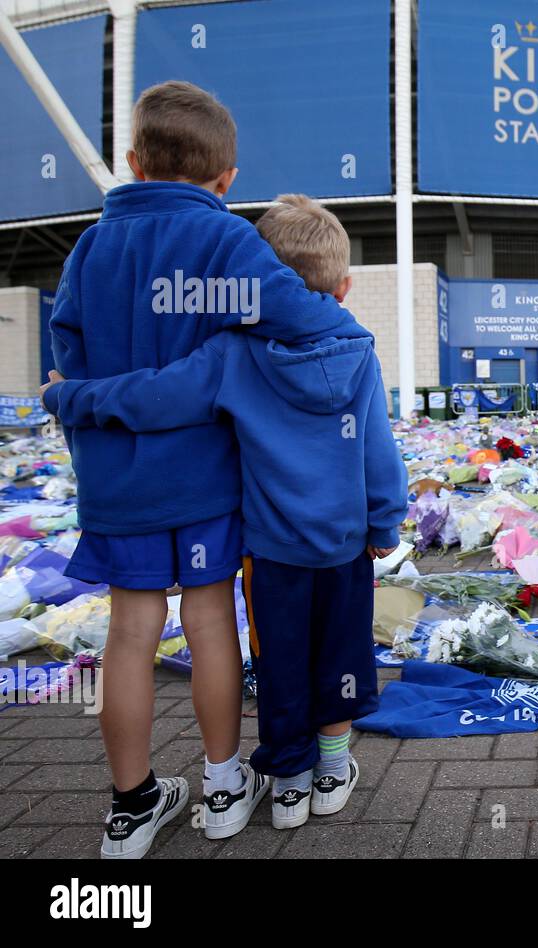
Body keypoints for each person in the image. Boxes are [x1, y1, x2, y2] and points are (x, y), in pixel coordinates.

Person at [46, 81, 369, 858]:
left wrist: (81, 402)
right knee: (211, 619)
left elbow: (69, 362)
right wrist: (350, 344)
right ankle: (223, 786)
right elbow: (304, 318)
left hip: (118, 486)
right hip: (205, 484)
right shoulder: (227, 248)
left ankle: (131, 807)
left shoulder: (90, 249)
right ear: (226, 179)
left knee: (129, 634)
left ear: (132, 162)